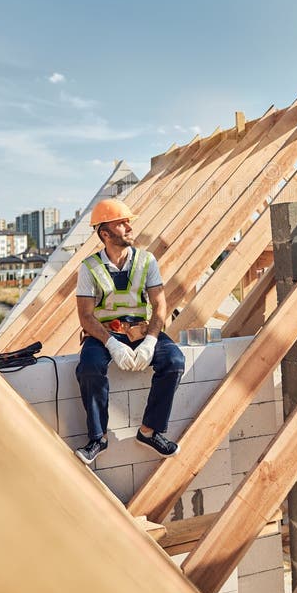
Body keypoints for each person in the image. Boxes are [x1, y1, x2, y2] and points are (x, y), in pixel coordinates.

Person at [74, 198, 184, 465]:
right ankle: (98, 438)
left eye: (128, 222)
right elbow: (86, 316)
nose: (128, 226)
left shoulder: (146, 261)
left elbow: (160, 306)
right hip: (103, 334)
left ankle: (149, 431)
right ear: (105, 233)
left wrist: (150, 341)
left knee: (174, 361)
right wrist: (112, 344)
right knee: (89, 367)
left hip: (140, 330)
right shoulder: (89, 268)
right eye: (121, 223)